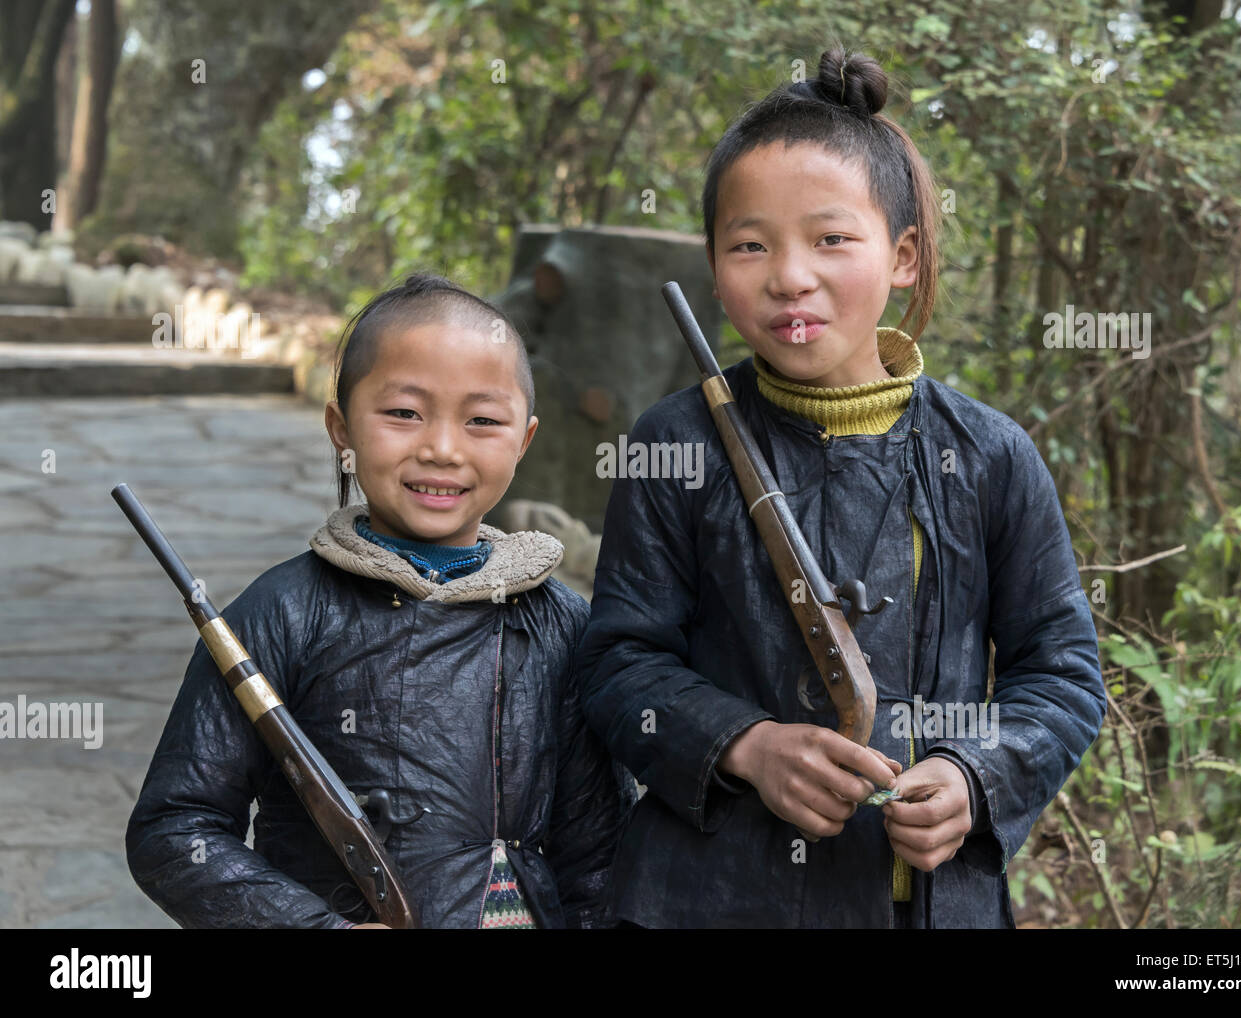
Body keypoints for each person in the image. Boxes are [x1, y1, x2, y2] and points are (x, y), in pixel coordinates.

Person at [576, 48, 1106, 928]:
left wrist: (975, 776)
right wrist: (744, 744)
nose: (790, 275)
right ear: (713, 268)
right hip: (704, 900)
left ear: (902, 256)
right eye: (751, 244)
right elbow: (615, 663)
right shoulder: (674, 442)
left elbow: (1062, 676)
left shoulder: (990, 454)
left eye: (830, 239)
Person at [126, 273, 634, 929]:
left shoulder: (562, 622)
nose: (441, 449)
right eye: (403, 413)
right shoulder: (282, 612)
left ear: (524, 440)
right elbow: (175, 828)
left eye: (482, 420)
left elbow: (598, 854)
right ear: (341, 428)